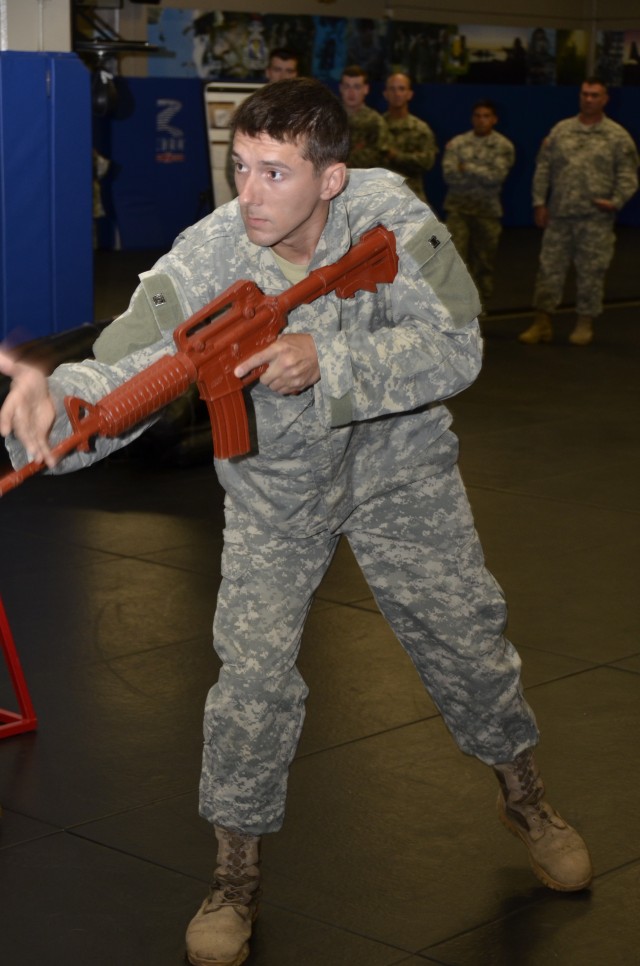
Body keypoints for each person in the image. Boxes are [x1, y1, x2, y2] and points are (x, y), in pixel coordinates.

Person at [0, 79, 592, 966]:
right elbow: (129, 364)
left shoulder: (390, 216)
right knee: (252, 681)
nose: (251, 193)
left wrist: (331, 358)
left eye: (276, 172)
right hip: (276, 490)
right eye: (240, 167)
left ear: (333, 178)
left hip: (401, 473)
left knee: (467, 640)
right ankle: (235, 876)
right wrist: (57, 414)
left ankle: (526, 799)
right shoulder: (207, 253)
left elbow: (459, 343)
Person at [520, 77, 638, 346]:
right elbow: (544, 168)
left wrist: (616, 200)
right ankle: (542, 322)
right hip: (559, 215)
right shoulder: (561, 130)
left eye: (595, 95)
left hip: (595, 218)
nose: (589, 99)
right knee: (549, 269)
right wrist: (539, 202)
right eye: (585, 94)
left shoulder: (617, 136)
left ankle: (584, 322)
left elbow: (628, 175)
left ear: (605, 99)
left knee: (591, 271)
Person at [442, 99, 515, 309]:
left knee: (484, 261)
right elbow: (450, 175)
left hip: (487, 211)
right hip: (458, 209)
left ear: (494, 119)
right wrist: (479, 172)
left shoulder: (503, 146)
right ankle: (457, 306)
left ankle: (480, 305)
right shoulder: (458, 143)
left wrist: (467, 167)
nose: (481, 120)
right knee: (455, 259)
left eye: (486, 116)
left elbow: (496, 177)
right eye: (477, 116)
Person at [225, 47, 300, 196]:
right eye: (278, 69)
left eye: (289, 71)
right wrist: (245, 198)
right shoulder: (251, 110)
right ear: (268, 72)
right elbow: (232, 164)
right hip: (256, 195)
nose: (283, 76)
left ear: (296, 74)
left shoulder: (306, 115)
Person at [381, 71, 438, 203]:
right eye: (392, 89)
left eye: (401, 89)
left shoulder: (420, 129)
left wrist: (396, 156)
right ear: (385, 94)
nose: (397, 94)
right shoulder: (377, 126)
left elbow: (427, 162)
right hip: (381, 198)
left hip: (412, 197)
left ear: (409, 94)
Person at [339, 65, 390, 168]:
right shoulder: (328, 118)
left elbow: (382, 156)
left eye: (357, 87)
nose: (351, 92)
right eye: (347, 86)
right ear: (341, 88)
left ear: (366, 89)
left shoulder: (375, 121)